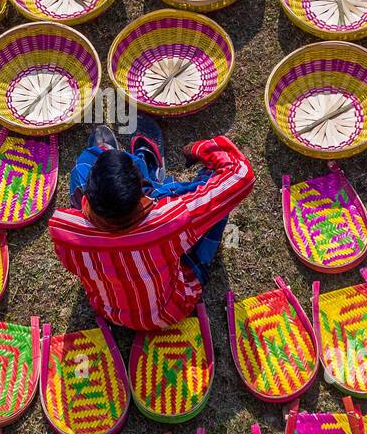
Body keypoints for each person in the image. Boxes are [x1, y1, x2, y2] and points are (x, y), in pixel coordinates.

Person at [48, 116, 254, 331]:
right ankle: (146, 167)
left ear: (90, 198)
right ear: (139, 195)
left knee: (83, 166)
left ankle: (120, 158)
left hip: (111, 312)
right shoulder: (171, 220)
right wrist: (199, 149)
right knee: (209, 189)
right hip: (172, 308)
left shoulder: (63, 230)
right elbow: (241, 175)